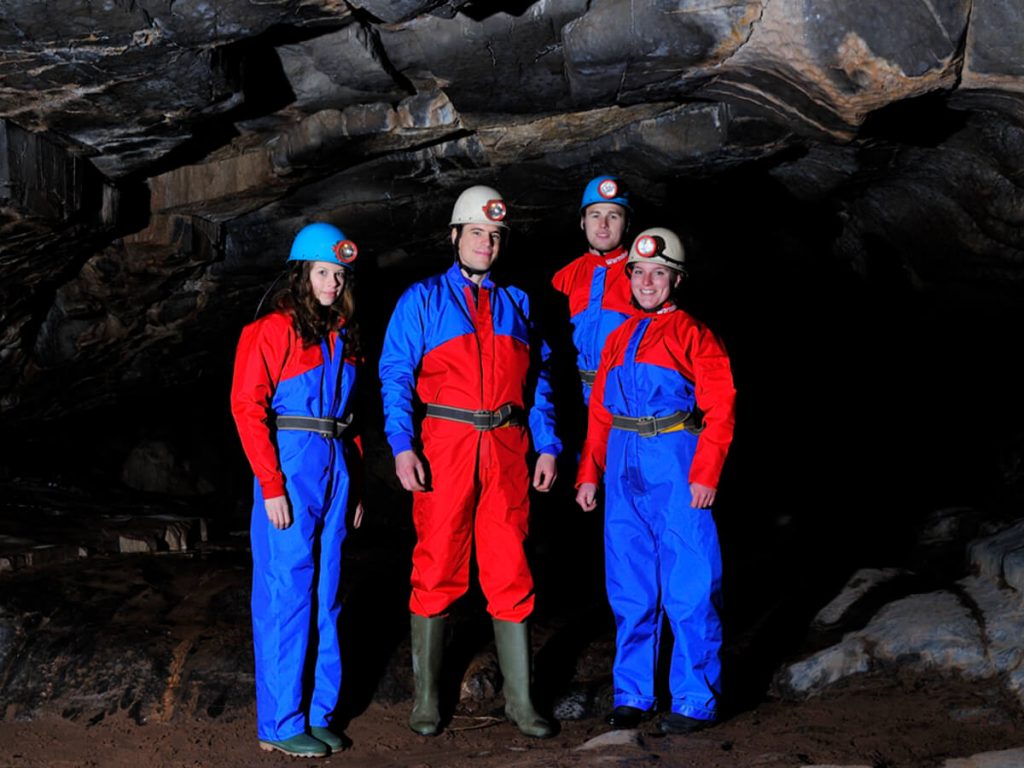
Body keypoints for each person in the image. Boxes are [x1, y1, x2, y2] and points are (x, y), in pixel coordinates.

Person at [379, 185, 561, 739]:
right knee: (436, 564)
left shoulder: (518, 304)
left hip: (505, 445)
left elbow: (542, 380)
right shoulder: (423, 299)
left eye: (496, 235)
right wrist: (402, 444)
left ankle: (521, 702)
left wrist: (548, 442)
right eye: (477, 233)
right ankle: (428, 699)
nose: (487, 243)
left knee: (510, 567)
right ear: (456, 237)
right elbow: (395, 375)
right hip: (446, 444)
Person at [575, 227, 736, 734]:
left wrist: (706, 472)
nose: (647, 281)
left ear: (676, 279)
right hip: (622, 462)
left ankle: (693, 698)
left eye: (659, 273)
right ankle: (633, 693)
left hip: (674, 458)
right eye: (640, 272)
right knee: (630, 585)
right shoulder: (619, 336)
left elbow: (722, 406)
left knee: (689, 583)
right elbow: (600, 411)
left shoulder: (694, 334)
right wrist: (588, 473)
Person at [230, 222, 364, 758]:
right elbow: (247, 407)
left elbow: (348, 420)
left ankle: (318, 712)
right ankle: (280, 722)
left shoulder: (340, 335)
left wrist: (354, 488)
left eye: (338, 274)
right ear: (301, 273)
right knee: (287, 591)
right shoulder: (271, 331)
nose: (331, 282)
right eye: (322, 272)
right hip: (290, 465)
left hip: (333, 466)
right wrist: (271, 485)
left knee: (327, 592)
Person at [551, 174, 636, 406]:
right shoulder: (563, 278)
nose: (603, 225)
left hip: (623, 401)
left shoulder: (642, 279)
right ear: (582, 221)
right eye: (595, 215)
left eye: (614, 216)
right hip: (572, 400)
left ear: (627, 223)